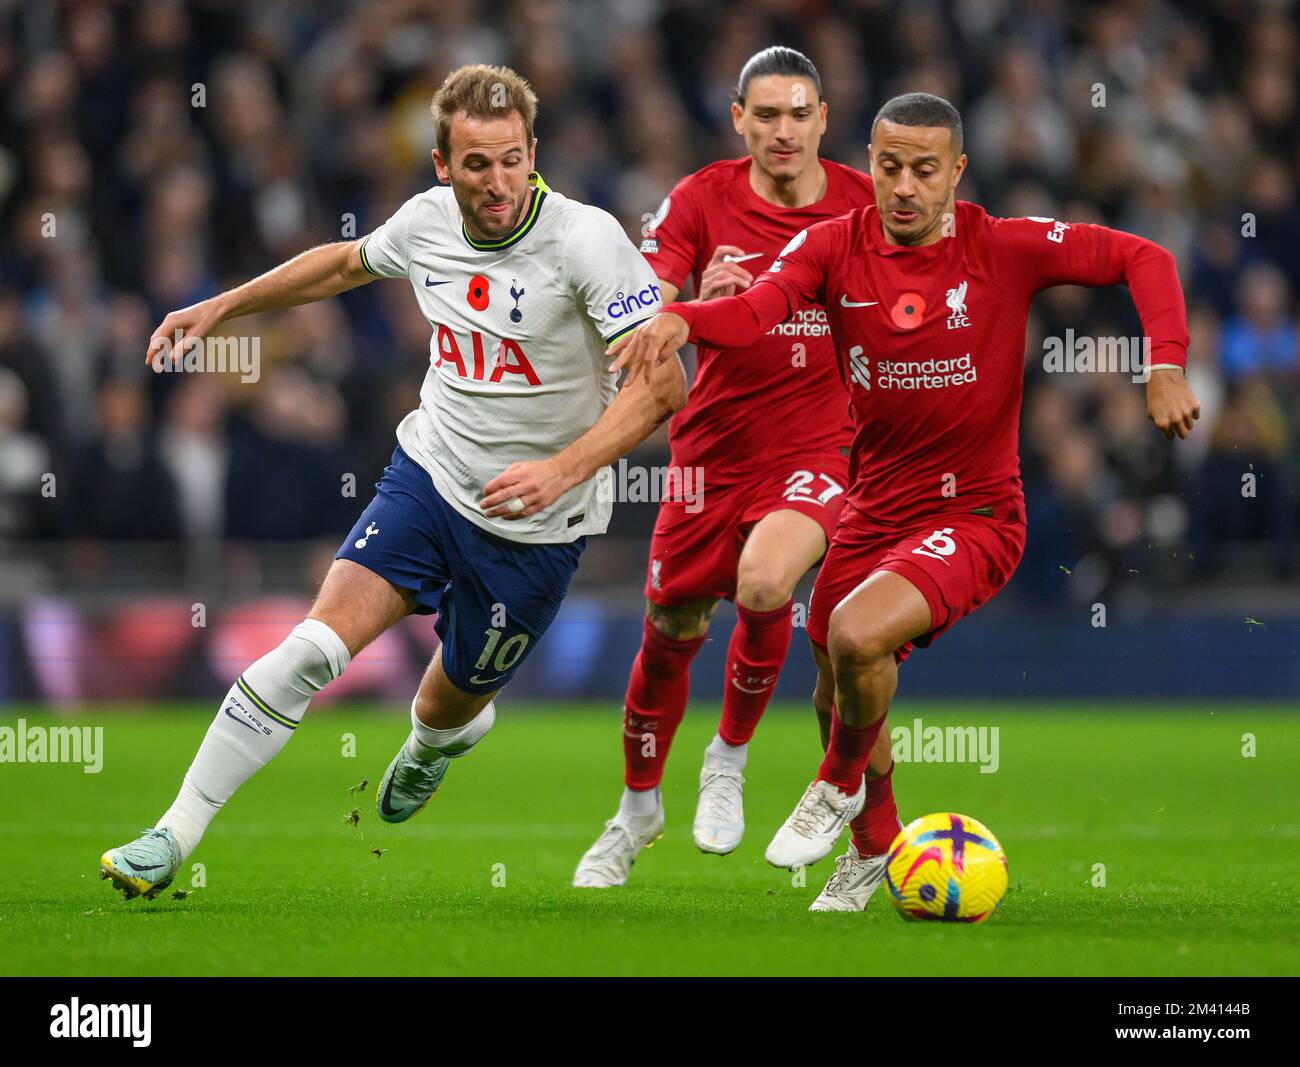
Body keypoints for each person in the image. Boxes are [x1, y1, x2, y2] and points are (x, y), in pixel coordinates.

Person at [99, 64, 686, 901]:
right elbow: (342, 264)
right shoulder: (425, 223)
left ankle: (432, 743)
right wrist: (222, 307)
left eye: (513, 159)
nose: (499, 182)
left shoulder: (588, 242)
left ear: (534, 152)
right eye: (477, 164)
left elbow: (666, 387)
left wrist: (566, 467)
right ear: (443, 165)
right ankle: (172, 833)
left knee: (449, 701)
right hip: (430, 476)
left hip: (538, 527)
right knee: (312, 648)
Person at [609, 92, 1199, 912]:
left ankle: (836, 783)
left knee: (853, 633)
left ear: (956, 170)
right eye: (889, 167)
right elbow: (755, 312)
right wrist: (684, 319)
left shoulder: (1004, 245)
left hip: (976, 514)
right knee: (836, 677)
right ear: (872, 164)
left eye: (925, 170)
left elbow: (1144, 257)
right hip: (872, 508)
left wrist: (1164, 361)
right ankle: (873, 847)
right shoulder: (831, 247)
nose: (905, 187)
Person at [572, 47, 892, 891]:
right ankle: (637, 809)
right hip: (709, 457)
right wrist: (692, 301)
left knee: (763, 584)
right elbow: (641, 317)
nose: (783, 131)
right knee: (670, 632)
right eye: (767, 115)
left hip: (819, 451)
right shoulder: (699, 199)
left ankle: (729, 756)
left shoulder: (867, 207)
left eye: (799, 113)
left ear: (825, 118)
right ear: (739, 120)